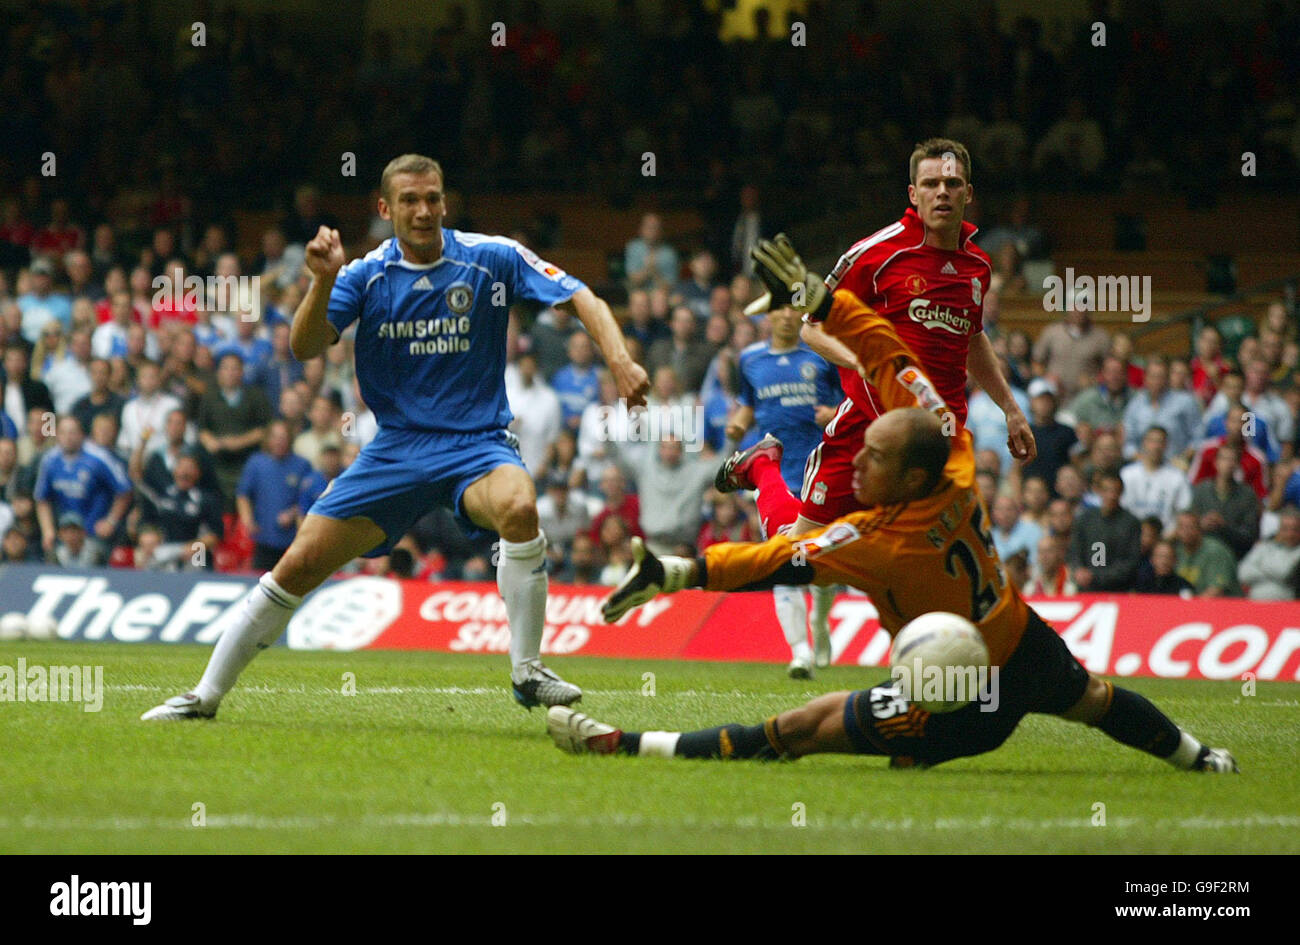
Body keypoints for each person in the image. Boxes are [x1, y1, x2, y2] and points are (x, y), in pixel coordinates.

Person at [548, 240, 1235, 774]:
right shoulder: (955, 457)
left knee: (799, 728)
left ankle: (628, 745)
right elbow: (890, 357)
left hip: (955, 695)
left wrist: (673, 572)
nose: (859, 461)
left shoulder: (879, 541)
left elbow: (771, 559)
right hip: (1021, 641)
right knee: (1094, 699)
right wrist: (824, 299)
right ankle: (1200, 756)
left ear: (905, 475)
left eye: (871, 456)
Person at [144, 154, 648, 721]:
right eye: (409, 200)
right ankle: (204, 696)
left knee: (518, 504)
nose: (424, 210)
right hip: (396, 450)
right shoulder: (366, 274)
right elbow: (304, 346)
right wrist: (323, 279)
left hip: (476, 444)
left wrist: (621, 362)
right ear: (385, 209)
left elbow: (582, 295)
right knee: (299, 564)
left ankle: (527, 669)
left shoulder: (491, 258)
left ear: (444, 202)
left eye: (432, 198)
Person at [716, 138, 1034, 560]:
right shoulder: (876, 254)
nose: (943, 192)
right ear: (913, 194)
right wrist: (862, 361)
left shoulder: (977, 267)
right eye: (932, 183)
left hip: (937, 437)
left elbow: (973, 338)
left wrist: (1010, 408)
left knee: (935, 560)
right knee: (798, 556)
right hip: (866, 428)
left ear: (969, 194)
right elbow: (812, 328)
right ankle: (761, 467)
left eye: (953, 184)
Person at [727, 305, 841, 677]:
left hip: (819, 470)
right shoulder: (750, 360)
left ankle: (820, 624)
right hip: (775, 475)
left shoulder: (822, 354)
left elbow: (851, 401)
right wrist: (737, 426)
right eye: (780, 311)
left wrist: (833, 414)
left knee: (821, 565)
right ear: (768, 318)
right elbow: (749, 406)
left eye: (795, 311)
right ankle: (800, 652)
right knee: (782, 558)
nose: (788, 318)